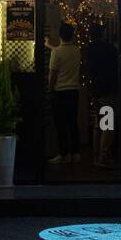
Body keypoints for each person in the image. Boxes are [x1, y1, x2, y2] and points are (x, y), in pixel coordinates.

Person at [82, 22, 119, 167]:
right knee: (107, 124)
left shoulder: (89, 49)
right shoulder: (108, 49)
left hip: (95, 90)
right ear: (102, 33)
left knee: (98, 123)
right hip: (107, 91)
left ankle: (96, 155)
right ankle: (104, 155)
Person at [46, 22, 82, 163]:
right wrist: (50, 47)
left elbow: (52, 74)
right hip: (73, 91)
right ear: (71, 35)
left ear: (60, 35)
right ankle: (75, 153)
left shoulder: (57, 52)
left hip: (60, 92)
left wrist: (50, 89)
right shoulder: (76, 50)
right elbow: (63, 52)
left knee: (60, 124)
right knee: (72, 123)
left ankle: (63, 154)